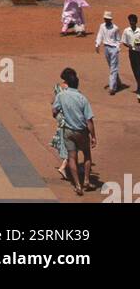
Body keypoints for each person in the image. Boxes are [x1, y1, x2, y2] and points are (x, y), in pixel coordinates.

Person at [52, 68, 96, 196]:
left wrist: (60, 117)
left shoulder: (61, 95)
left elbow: (54, 111)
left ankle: (77, 185)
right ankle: (87, 181)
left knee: (72, 157)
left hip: (68, 131)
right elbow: (89, 120)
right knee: (87, 155)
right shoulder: (82, 98)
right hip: (81, 131)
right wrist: (93, 136)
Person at [95, 11, 122, 94]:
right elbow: (100, 35)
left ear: (110, 19)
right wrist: (97, 44)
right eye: (105, 19)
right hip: (106, 48)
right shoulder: (102, 26)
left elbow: (118, 39)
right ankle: (117, 82)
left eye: (107, 19)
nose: (106, 20)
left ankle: (112, 88)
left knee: (113, 68)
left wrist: (117, 48)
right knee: (111, 66)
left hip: (114, 49)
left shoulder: (115, 28)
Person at [49, 78, 69, 180]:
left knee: (65, 144)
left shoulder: (59, 90)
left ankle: (67, 165)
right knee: (72, 147)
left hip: (61, 122)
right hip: (69, 124)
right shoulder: (69, 92)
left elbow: (52, 104)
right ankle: (63, 166)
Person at [122, 13, 140, 97]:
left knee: (138, 70)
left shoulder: (139, 31)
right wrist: (128, 45)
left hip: (139, 52)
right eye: (130, 21)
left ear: (136, 22)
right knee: (134, 70)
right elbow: (124, 41)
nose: (131, 23)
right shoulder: (126, 31)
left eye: (133, 21)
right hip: (132, 52)